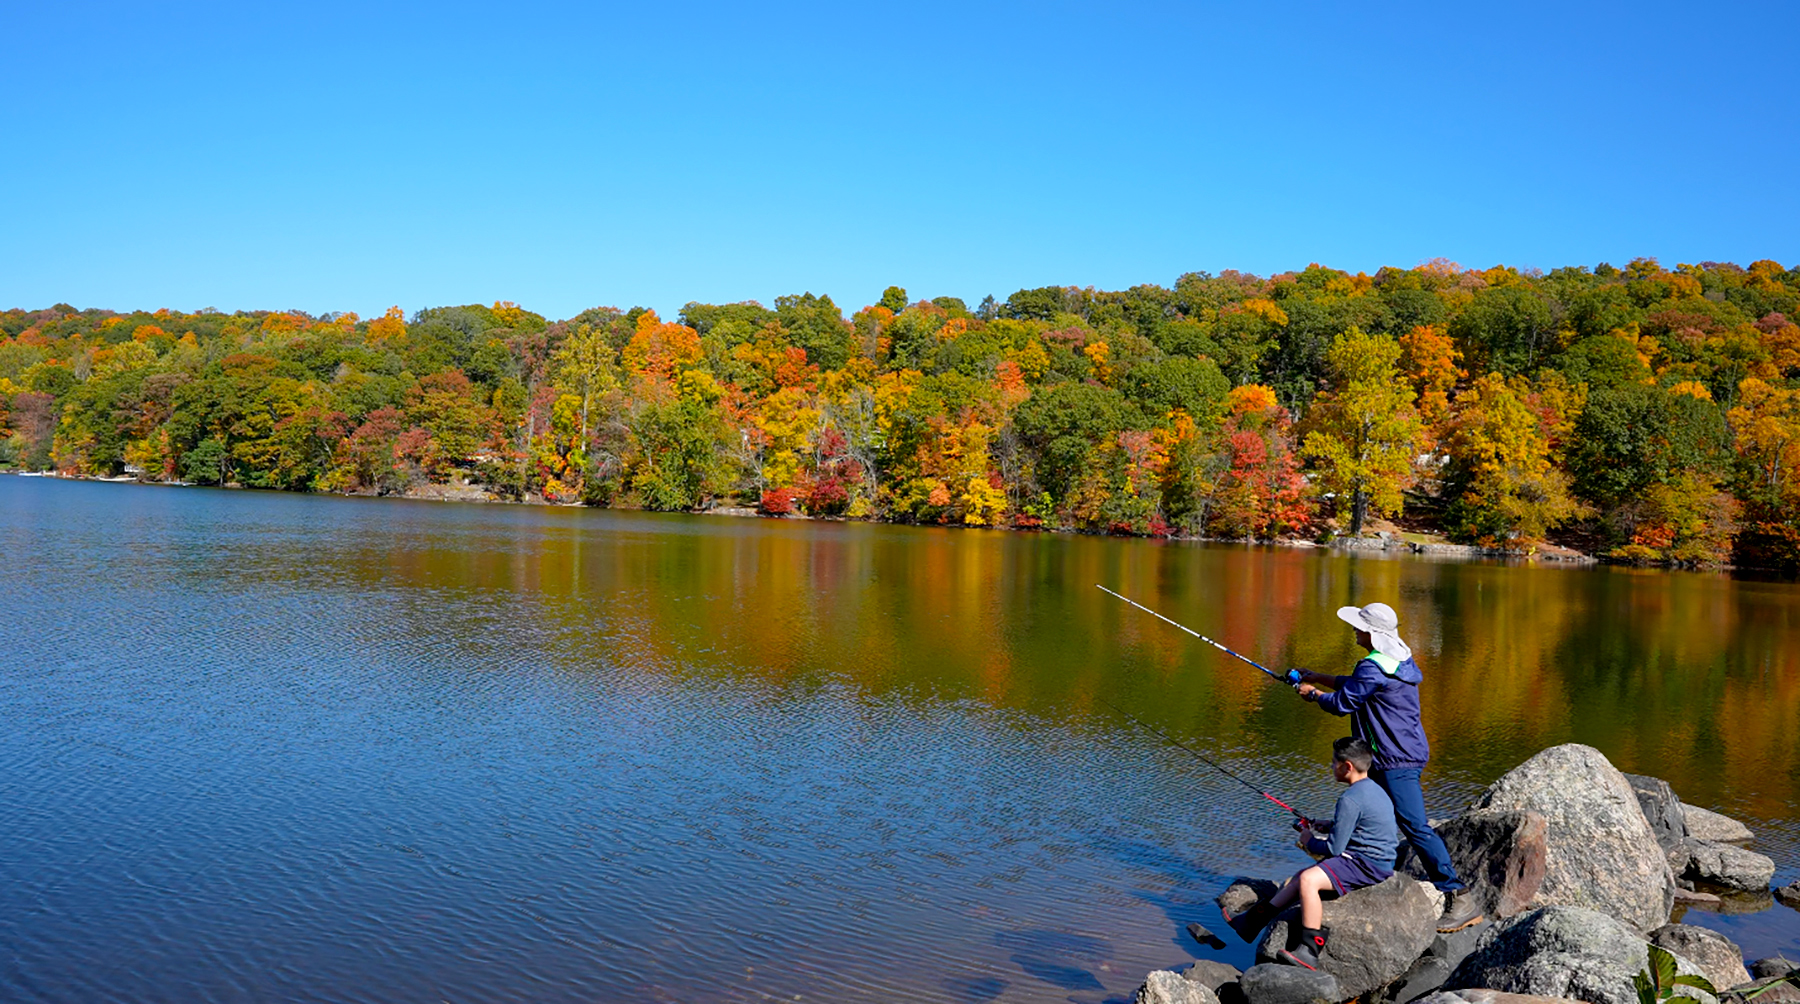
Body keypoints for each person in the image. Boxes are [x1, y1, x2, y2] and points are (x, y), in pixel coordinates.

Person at [1292, 601, 1483, 933]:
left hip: (1395, 758)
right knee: (1372, 812)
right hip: (1397, 753)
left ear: (1371, 633)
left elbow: (1343, 703)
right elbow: (1357, 685)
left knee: (1415, 826)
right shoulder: (1395, 660)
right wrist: (1319, 676)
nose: (1354, 630)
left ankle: (1458, 895)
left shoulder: (1373, 666)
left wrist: (1313, 694)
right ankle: (1352, 866)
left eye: (1358, 627)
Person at [1221, 736, 1398, 969]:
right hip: (1373, 857)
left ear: (1347, 767)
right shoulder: (1373, 788)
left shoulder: (1350, 799)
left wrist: (1309, 840)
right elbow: (1363, 824)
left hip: (1366, 864)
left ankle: (1310, 950)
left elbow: (1334, 849)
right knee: (1296, 880)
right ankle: (1251, 923)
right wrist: (1329, 825)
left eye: (1334, 762)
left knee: (1307, 880)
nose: (1331, 766)